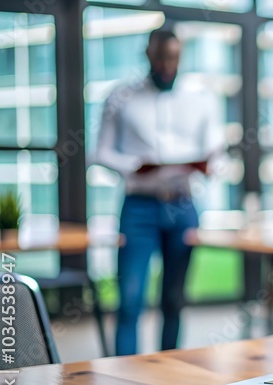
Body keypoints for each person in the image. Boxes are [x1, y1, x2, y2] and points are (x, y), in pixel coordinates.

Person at [94, 28, 225, 355]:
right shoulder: (120, 97)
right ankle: (123, 371)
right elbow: (101, 153)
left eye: (174, 58)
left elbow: (217, 155)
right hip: (139, 207)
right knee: (130, 299)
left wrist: (210, 166)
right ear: (148, 55)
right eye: (161, 58)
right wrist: (134, 165)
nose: (168, 65)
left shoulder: (202, 97)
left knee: (174, 299)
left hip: (183, 206)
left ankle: (168, 368)